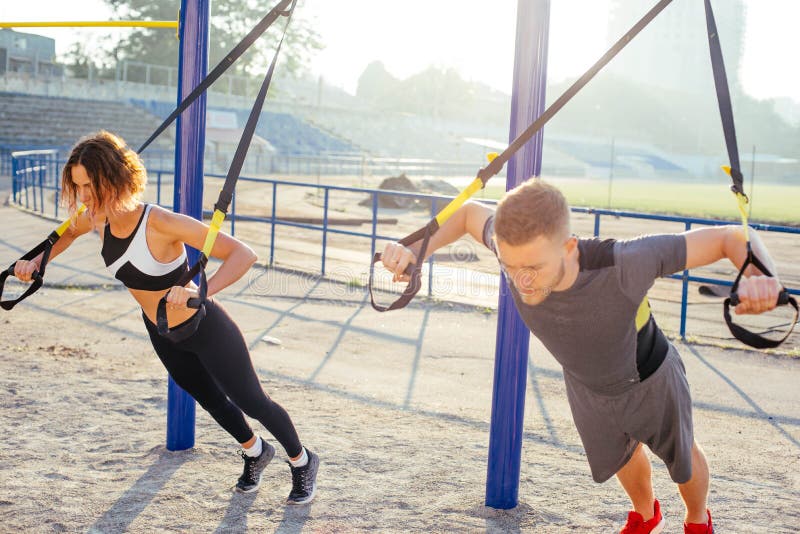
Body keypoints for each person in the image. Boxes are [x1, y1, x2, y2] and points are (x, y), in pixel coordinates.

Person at [381, 178, 785, 534]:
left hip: (650, 378)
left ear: (569, 247)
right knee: (622, 458)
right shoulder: (514, 245)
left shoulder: (623, 262)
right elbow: (469, 213)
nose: (522, 280)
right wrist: (415, 249)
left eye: (535, 267)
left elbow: (730, 237)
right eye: (510, 266)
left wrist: (760, 278)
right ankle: (646, 515)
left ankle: (698, 521)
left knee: (683, 462)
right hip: (586, 385)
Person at [12, 131, 319, 504]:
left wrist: (200, 291)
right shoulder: (95, 218)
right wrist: (36, 262)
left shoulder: (159, 222)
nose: (83, 197)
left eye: (90, 186)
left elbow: (243, 254)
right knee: (212, 401)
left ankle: (302, 461)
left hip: (204, 326)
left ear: (113, 179)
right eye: (78, 187)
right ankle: (256, 452)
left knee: (252, 400)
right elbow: (64, 237)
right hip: (160, 332)